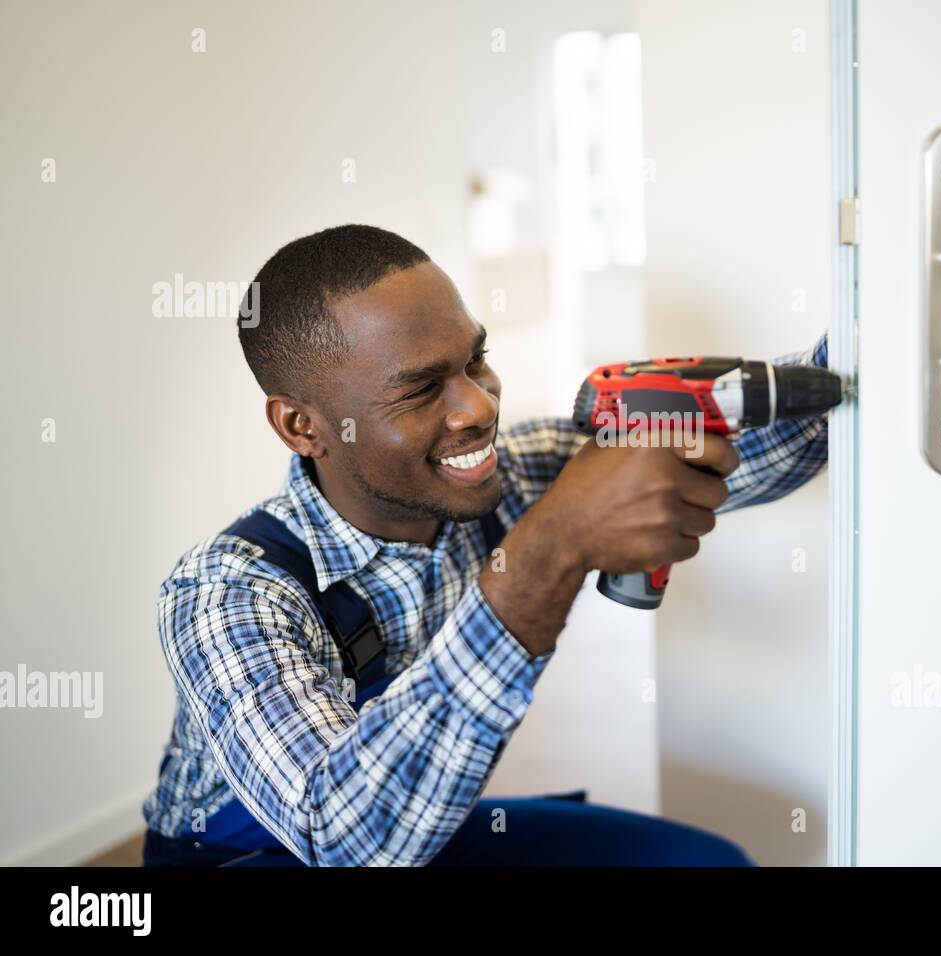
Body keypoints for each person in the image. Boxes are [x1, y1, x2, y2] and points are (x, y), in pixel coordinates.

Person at [140, 224, 830, 866]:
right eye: (419, 390)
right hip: (266, 854)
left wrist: (854, 362)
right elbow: (343, 835)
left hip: (423, 820)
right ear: (302, 426)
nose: (478, 408)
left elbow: (769, 443)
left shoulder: (518, 471)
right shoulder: (228, 592)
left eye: (476, 360)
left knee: (709, 866)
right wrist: (548, 552)